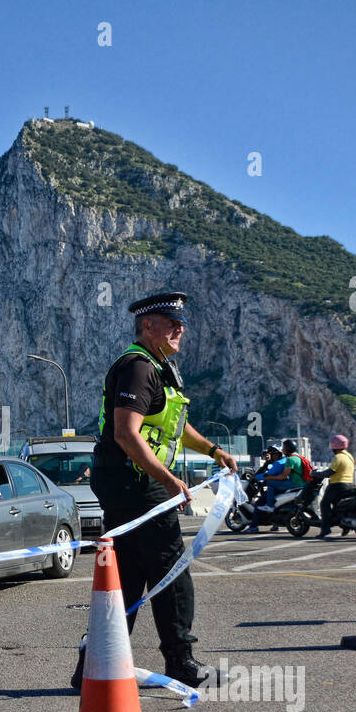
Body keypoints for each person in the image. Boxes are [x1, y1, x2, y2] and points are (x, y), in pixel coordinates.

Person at [80, 291, 238, 690]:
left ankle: (94, 663)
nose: (179, 328)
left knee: (129, 574)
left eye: (181, 323)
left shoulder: (158, 368)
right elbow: (126, 433)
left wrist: (214, 450)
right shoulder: (137, 367)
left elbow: (175, 428)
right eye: (171, 322)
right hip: (134, 480)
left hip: (129, 479)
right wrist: (169, 481)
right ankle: (181, 663)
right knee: (171, 569)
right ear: (148, 325)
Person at [318, 434, 356, 538]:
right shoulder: (349, 456)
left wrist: (316, 474)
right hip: (350, 484)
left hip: (337, 484)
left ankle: (325, 528)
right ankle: (344, 525)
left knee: (324, 504)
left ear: (334, 446)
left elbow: (330, 471)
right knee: (339, 505)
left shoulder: (338, 457)